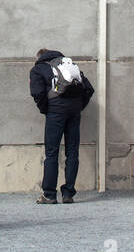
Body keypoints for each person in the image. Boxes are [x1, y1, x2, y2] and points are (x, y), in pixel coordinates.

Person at [29, 48, 94, 204]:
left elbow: (37, 93)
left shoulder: (38, 69)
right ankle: (68, 194)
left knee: (52, 152)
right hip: (74, 112)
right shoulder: (70, 65)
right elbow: (88, 89)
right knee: (72, 151)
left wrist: (46, 109)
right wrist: (78, 107)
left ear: (39, 57)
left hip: (55, 113)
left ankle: (49, 194)